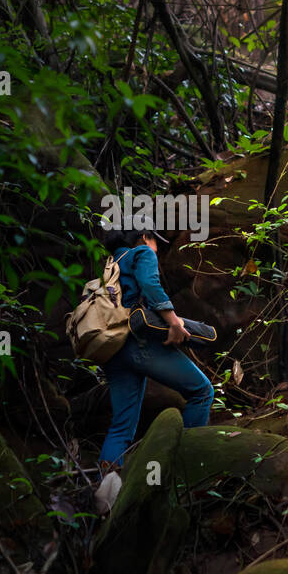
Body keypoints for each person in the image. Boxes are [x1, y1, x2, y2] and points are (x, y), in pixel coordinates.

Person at [95, 213, 215, 512]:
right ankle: (182, 475)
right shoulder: (140, 253)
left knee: (122, 425)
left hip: (113, 351)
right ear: (144, 236)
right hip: (140, 344)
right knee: (201, 392)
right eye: (154, 241)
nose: (157, 248)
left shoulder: (110, 267)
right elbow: (150, 285)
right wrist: (174, 322)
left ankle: (106, 498)